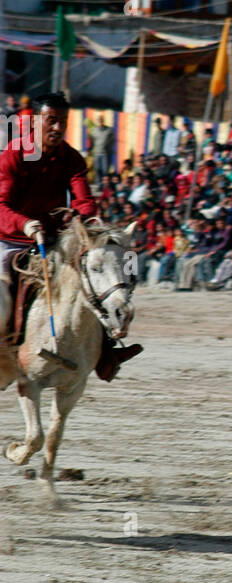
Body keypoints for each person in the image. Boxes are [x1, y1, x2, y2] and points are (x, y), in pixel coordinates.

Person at [0, 92, 141, 380]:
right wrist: (25, 224)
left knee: (90, 283)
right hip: (8, 240)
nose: (57, 127)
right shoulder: (12, 155)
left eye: (62, 122)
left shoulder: (72, 159)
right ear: (35, 122)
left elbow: (84, 199)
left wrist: (88, 221)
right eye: (51, 121)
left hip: (50, 240)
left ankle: (106, 350)